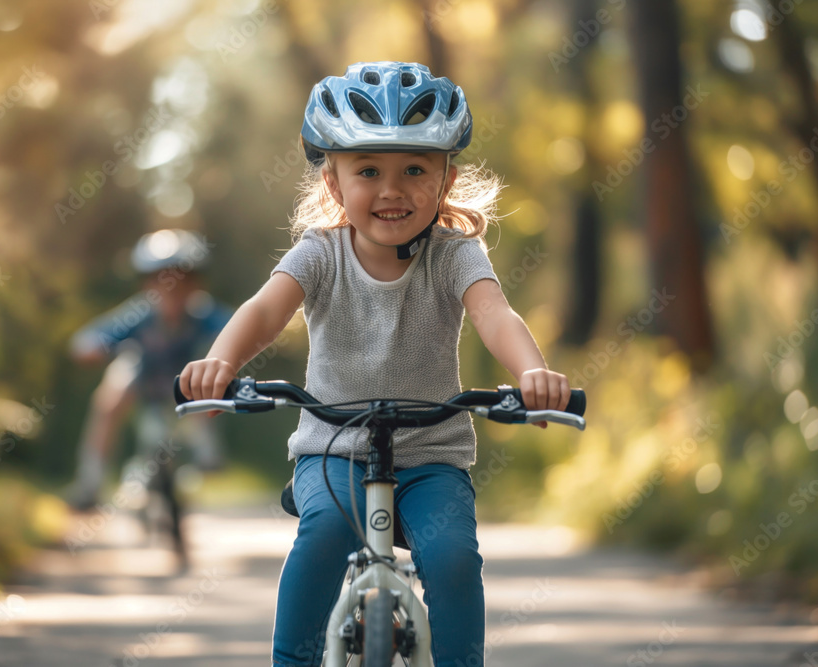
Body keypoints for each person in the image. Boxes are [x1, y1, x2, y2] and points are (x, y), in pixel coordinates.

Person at [178, 62, 570, 666]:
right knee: (323, 538)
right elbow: (264, 311)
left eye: (415, 169)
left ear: (446, 179)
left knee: (454, 559)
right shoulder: (320, 252)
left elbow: (495, 314)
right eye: (368, 171)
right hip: (331, 449)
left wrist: (531, 374)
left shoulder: (454, 253)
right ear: (334, 183)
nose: (392, 189)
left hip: (431, 456)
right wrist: (220, 361)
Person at [66, 229, 232, 558]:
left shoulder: (203, 315)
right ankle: (90, 482)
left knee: (208, 384)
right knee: (110, 396)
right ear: (147, 284)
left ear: (196, 283)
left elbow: (238, 328)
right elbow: (89, 338)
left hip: (183, 386)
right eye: (160, 279)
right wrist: (92, 348)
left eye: (183, 279)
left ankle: (208, 453)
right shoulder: (138, 315)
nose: (171, 288)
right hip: (142, 381)